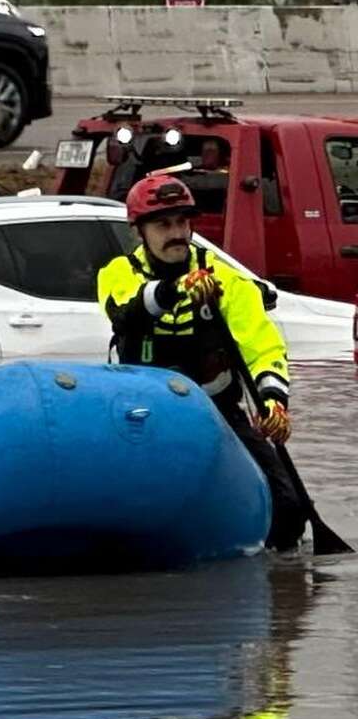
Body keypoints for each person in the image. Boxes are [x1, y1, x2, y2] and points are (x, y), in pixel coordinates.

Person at [97, 174, 303, 550]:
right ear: (140, 231)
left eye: (182, 223)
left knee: (288, 507)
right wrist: (176, 290)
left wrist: (274, 401)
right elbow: (126, 313)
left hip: (218, 411)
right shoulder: (117, 273)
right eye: (163, 224)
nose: (176, 233)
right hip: (142, 414)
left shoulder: (227, 280)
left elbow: (262, 347)